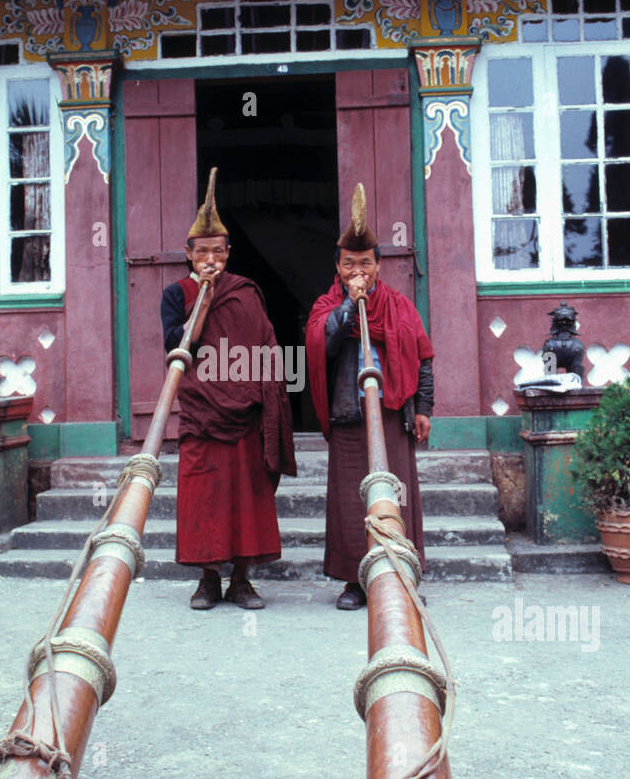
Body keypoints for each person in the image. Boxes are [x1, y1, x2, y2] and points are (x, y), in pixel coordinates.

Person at [160, 170, 296, 610]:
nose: (211, 260)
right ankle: (206, 580)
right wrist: (203, 295)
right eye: (203, 253)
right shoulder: (175, 294)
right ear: (189, 254)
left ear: (229, 253)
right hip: (202, 410)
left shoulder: (246, 292)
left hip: (246, 409)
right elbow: (181, 345)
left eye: (218, 252)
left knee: (246, 496)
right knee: (204, 495)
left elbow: (266, 345)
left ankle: (241, 580)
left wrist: (267, 398)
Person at [306, 183, 434, 609]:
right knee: (350, 499)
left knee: (396, 496)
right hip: (349, 415)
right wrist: (348, 308)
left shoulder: (399, 306)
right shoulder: (328, 305)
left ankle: (401, 574)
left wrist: (425, 409)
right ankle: (354, 581)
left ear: (379, 265)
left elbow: (423, 356)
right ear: (337, 268)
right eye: (348, 264)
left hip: (394, 414)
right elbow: (319, 343)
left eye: (364, 263)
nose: (357, 270)